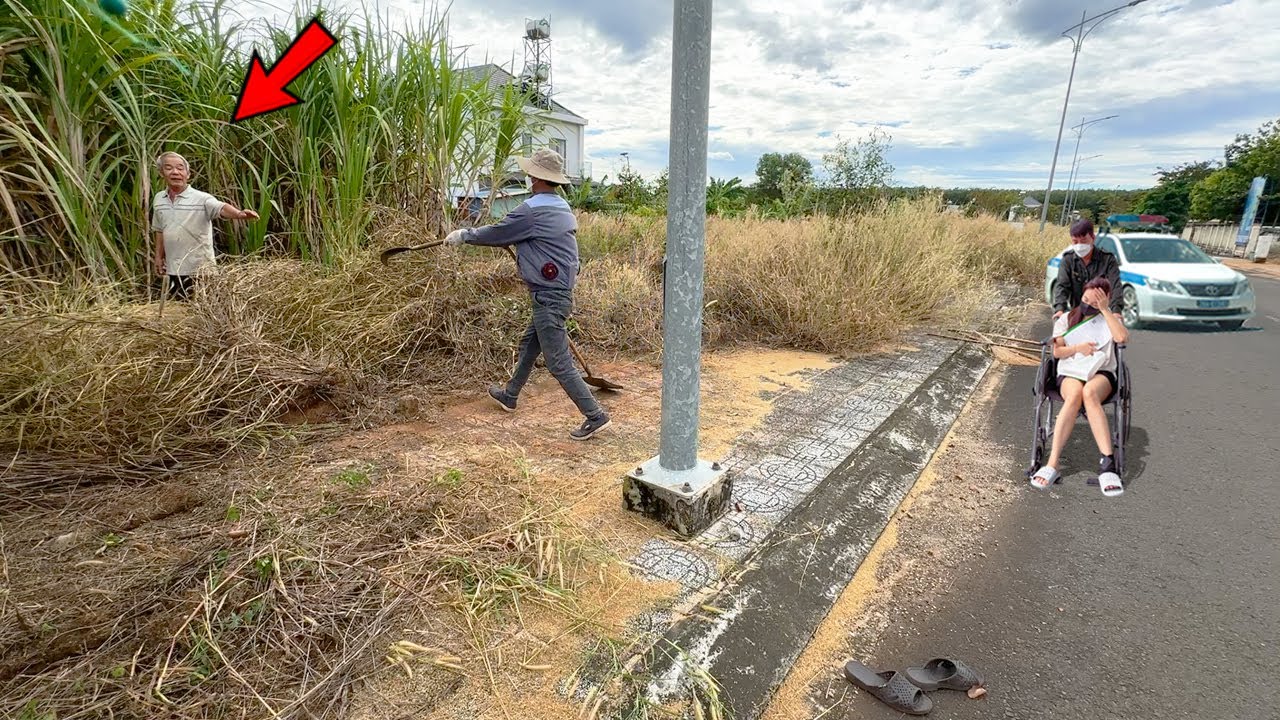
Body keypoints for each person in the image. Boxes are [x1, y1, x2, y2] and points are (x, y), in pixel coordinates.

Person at [444, 148, 611, 442]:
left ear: (535, 178)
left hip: (548, 295)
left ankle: (594, 415)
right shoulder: (562, 209)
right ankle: (510, 394)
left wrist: (464, 235)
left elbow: (497, 232)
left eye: (530, 174)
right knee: (530, 343)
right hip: (557, 292)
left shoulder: (533, 210)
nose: (528, 177)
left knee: (558, 361)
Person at [1030, 277, 1130, 497]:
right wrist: (1078, 347)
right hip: (1071, 371)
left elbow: (1122, 337)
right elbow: (1057, 352)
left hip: (1100, 372)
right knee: (1075, 394)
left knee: (1089, 393)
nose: (1088, 305)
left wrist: (1104, 311)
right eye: (1086, 300)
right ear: (1081, 295)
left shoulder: (1109, 320)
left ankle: (1108, 464)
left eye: (1094, 303)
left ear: (1105, 301)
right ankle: (1053, 463)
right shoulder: (1066, 319)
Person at [151, 152, 259, 300]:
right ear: (161, 173)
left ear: (188, 174)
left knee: (202, 312)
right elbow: (160, 230)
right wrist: (158, 257)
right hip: (173, 269)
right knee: (179, 313)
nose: (175, 172)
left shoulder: (202, 198)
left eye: (180, 168)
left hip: (201, 271)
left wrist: (239, 214)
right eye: (169, 168)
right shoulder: (159, 199)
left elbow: (220, 207)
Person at [1052, 219, 1123, 319]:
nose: (1079, 245)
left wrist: (1116, 311)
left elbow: (1115, 286)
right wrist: (1060, 309)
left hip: (1102, 314)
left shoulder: (1107, 259)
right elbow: (1062, 286)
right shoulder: (1068, 260)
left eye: (1084, 241)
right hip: (1077, 314)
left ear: (1093, 238)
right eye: (1075, 242)